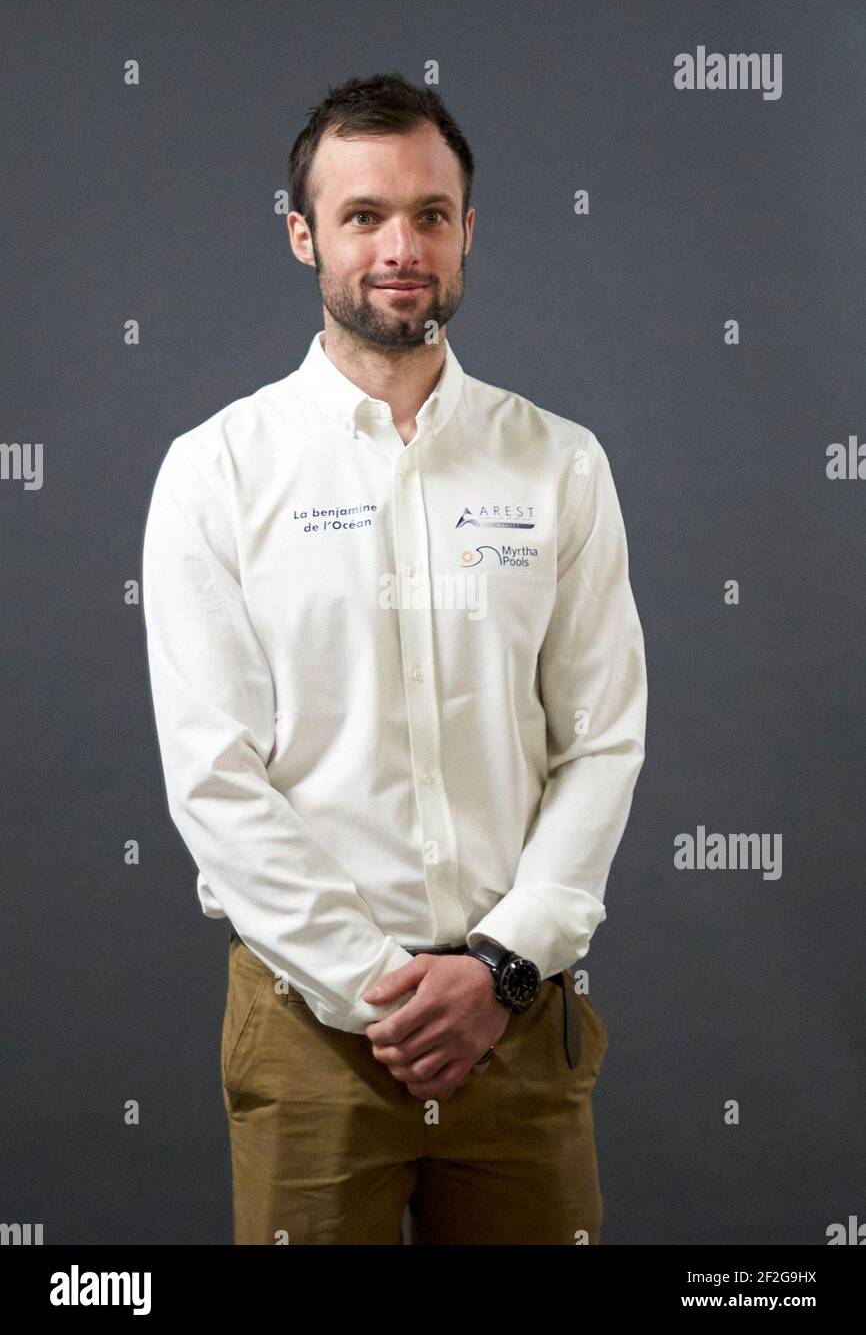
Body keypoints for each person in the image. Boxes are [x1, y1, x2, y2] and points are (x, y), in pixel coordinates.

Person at [142, 71, 647, 1245]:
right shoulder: (216, 471)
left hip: (518, 1028)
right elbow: (215, 775)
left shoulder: (559, 465)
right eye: (362, 214)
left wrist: (500, 969)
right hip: (310, 1037)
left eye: (429, 213)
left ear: (466, 231)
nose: (398, 245)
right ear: (301, 235)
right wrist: (381, 988)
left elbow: (602, 740)